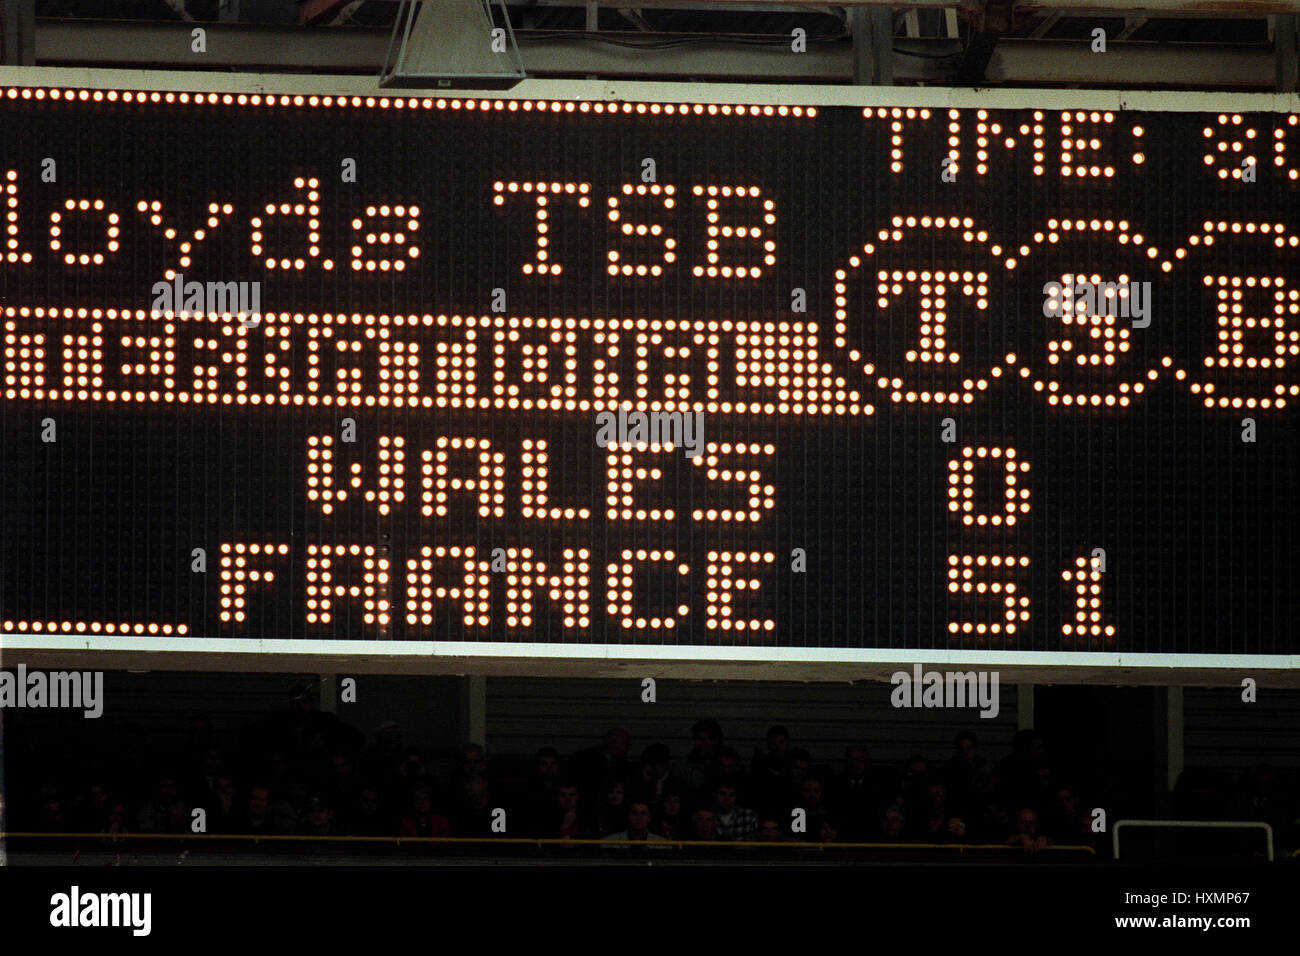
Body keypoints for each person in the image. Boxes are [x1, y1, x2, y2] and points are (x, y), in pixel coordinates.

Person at [713, 776, 758, 841]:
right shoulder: (708, 815)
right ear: (715, 795)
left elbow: (754, 842)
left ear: (736, 797)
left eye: (731, 795)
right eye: (722, 794)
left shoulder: (749, 815)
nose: (727, 798)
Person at [603, 800, 668, 843]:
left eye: (643, 813)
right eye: (634, 813)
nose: (639, 818)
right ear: (628, 816)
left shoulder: (661, 844)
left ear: (649, 818)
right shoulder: (610, 842)